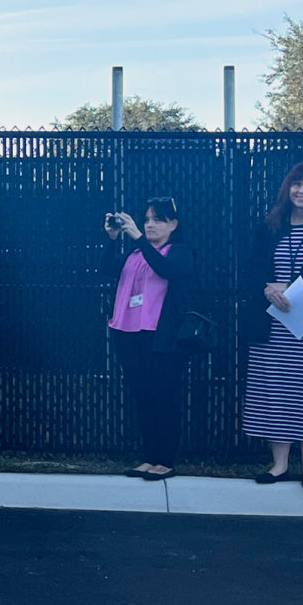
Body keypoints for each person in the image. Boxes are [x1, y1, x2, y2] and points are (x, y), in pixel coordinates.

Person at [241, 160, 303, 490]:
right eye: (297, 184)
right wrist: (267, 289)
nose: (302, 191)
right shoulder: (270, 226)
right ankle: (279, 464)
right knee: (276, 391)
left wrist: (294, 290)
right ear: (288, 189)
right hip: (272, 324)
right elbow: (252, 268)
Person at [106, 198, 194, 481]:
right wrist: (112, 240)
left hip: (162, 336)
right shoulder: (134, 253)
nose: (150, 225)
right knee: (142, 396)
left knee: (163, 396)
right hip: (130, 333)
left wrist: (139, 238)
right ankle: (150, 456)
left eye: (157, 220)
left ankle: (165, 459)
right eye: (146, 220)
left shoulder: (179, 251)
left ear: (173, 225)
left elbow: (166, 270)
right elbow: (108, 273)